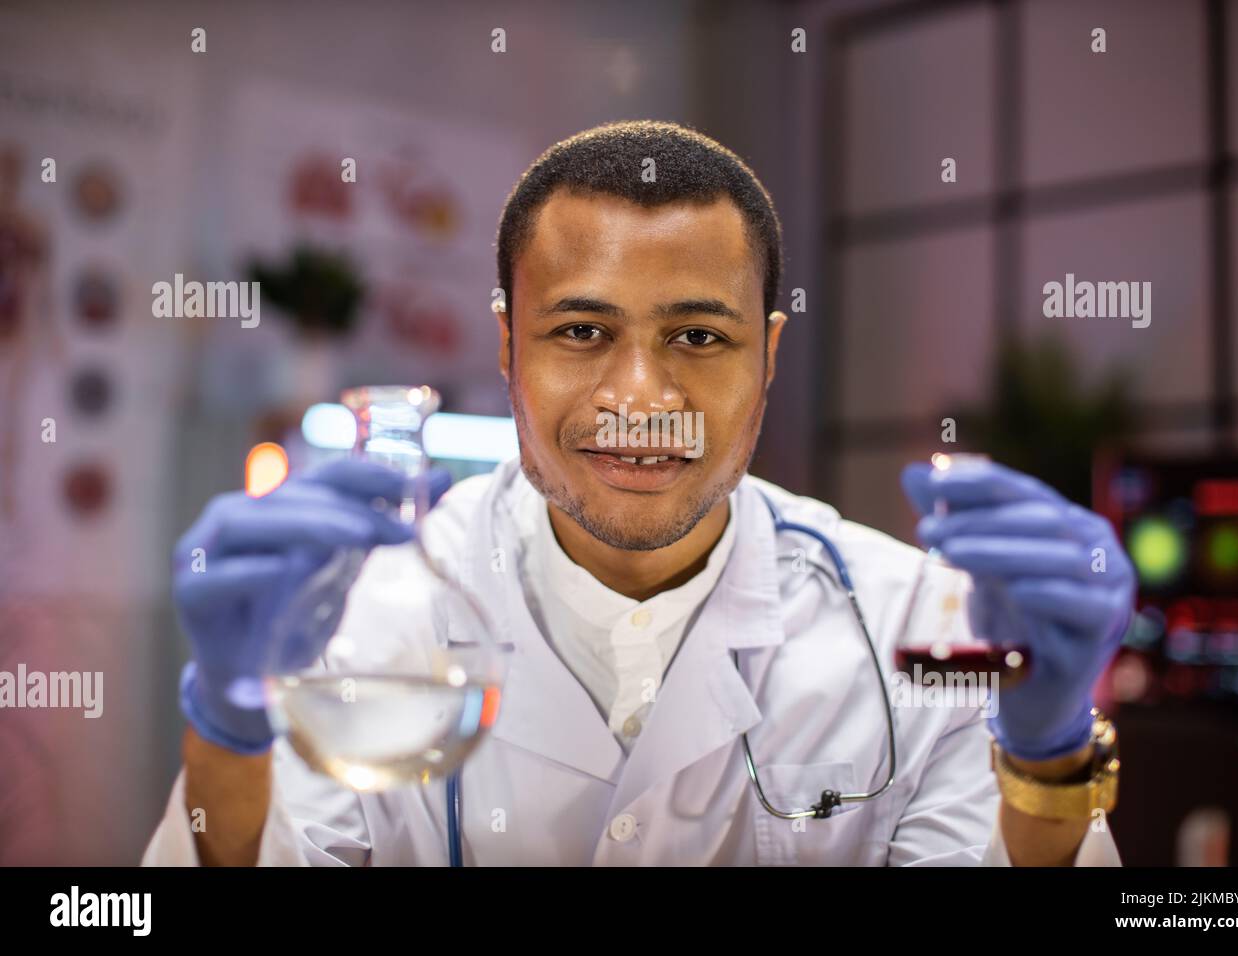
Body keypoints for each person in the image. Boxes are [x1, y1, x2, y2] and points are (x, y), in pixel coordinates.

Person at [143, 121, 1133, 866]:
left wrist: (1046, 755)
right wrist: (230, 719)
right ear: (508, 346)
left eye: (698, 337)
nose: (640, 399)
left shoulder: (923, 629)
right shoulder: (355, 615)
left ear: (768, 355)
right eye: (581, 332)